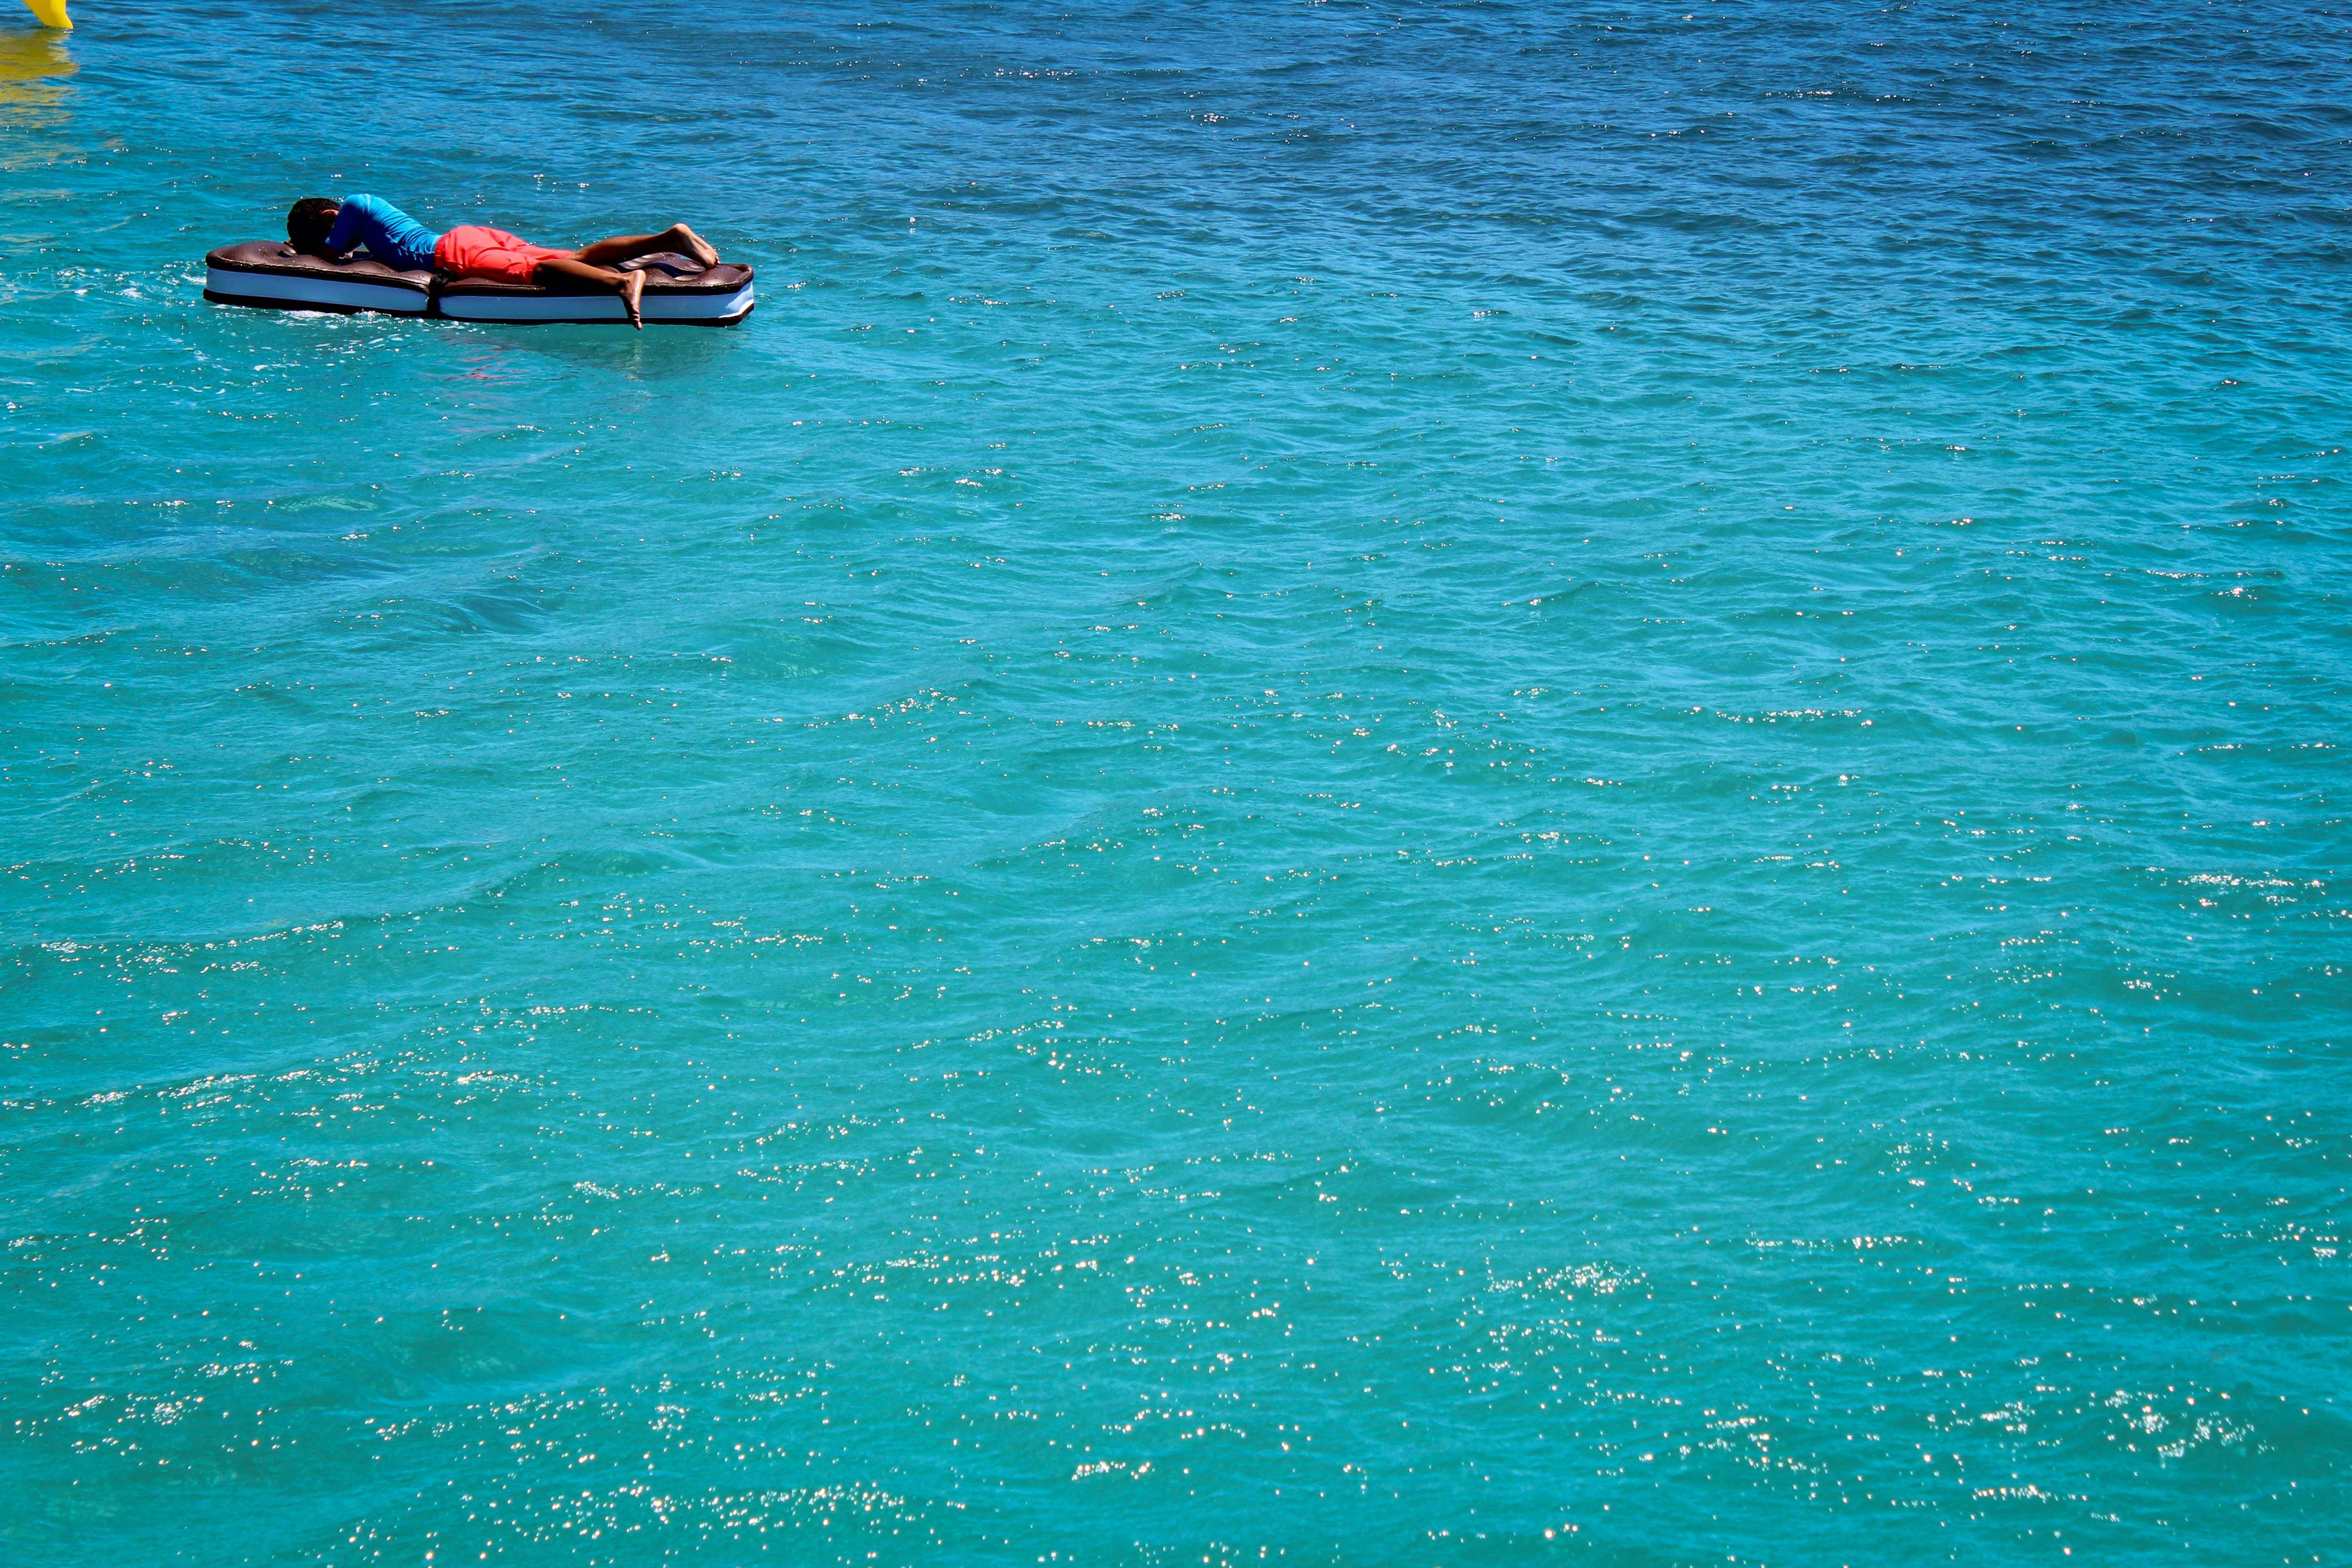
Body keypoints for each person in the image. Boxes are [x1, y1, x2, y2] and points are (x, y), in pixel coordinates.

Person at [286, 194, 720, 328]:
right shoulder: (368, 210)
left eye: (328, 230)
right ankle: (671, 237)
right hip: (468, 237)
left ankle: (622, 285)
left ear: (330, 217)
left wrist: (309, 250)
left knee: (537, 274)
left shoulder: (353, 208)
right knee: (577, 257)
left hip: (451, 254)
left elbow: (329, 255)